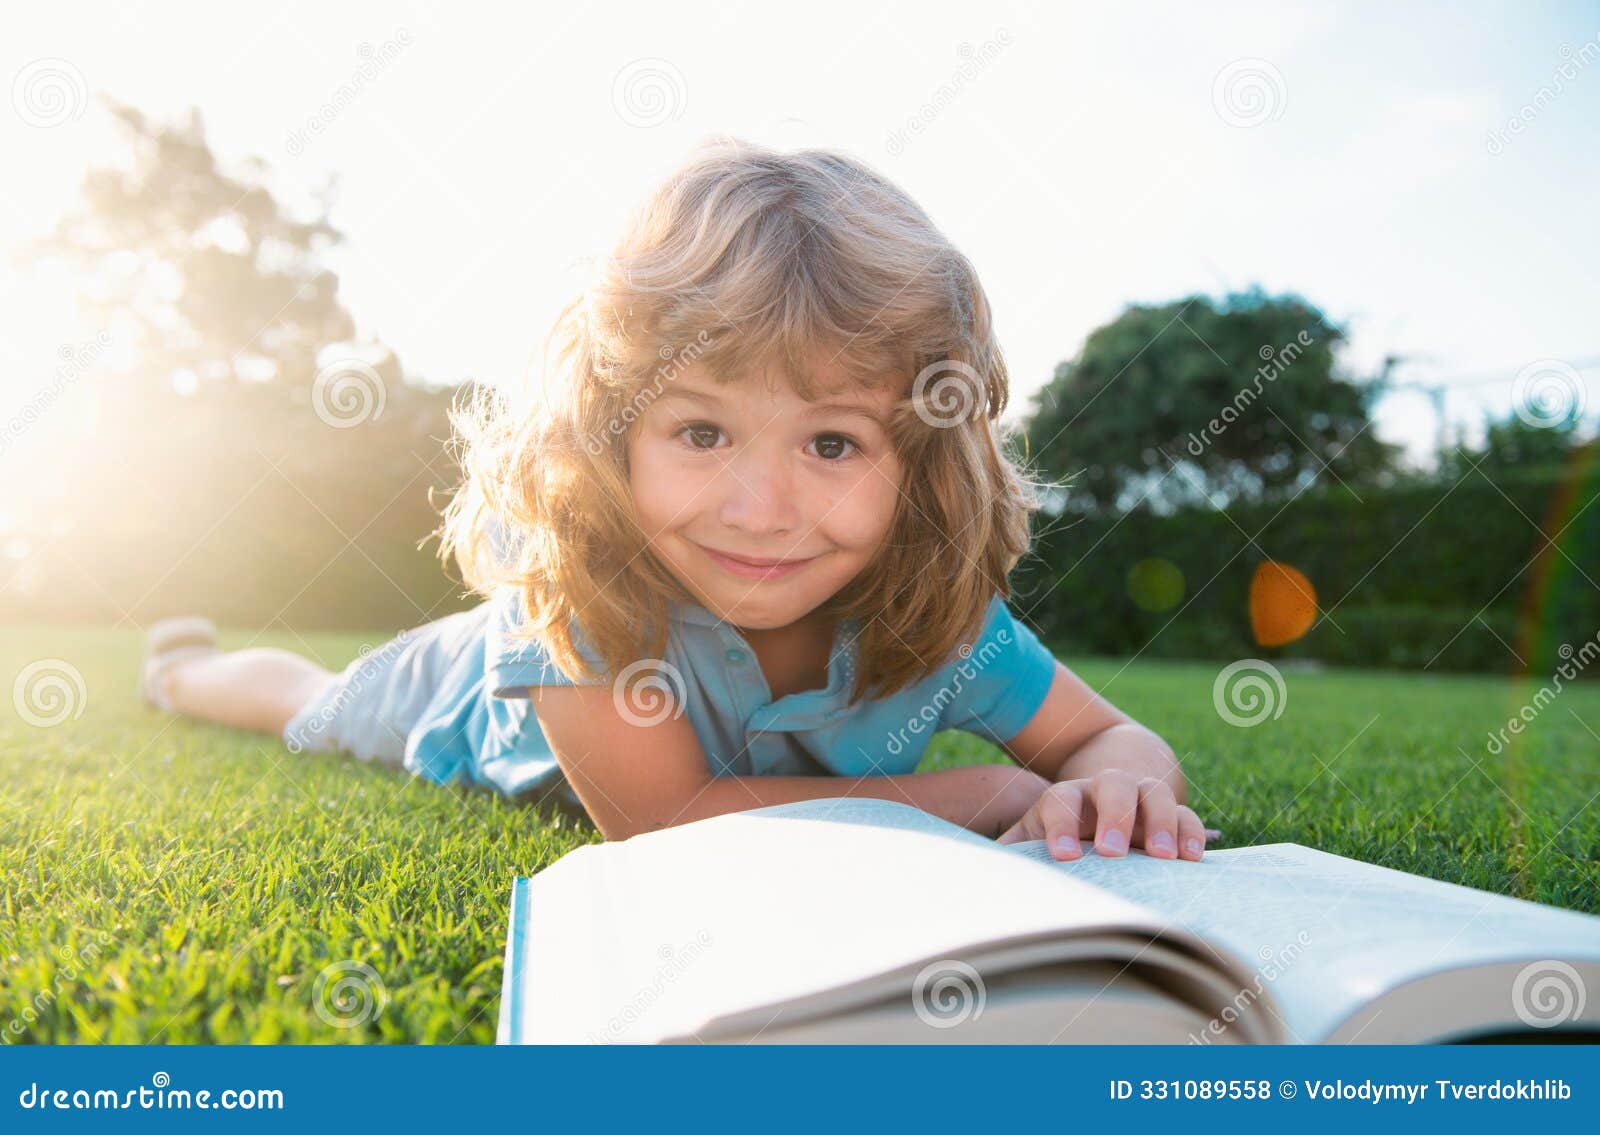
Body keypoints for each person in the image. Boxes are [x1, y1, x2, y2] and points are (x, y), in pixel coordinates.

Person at [141, 137, 1212, 862]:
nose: (759, 508)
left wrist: (1115, 783)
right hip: (458, 696)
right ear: (615, 432)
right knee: (309, 704)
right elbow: (668, 822)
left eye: (833, 441)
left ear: (925, 464)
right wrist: (990, 796)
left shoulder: (942, 623)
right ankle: (183, 668)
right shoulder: (573, 586)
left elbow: (1112, 739)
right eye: (700, 431)